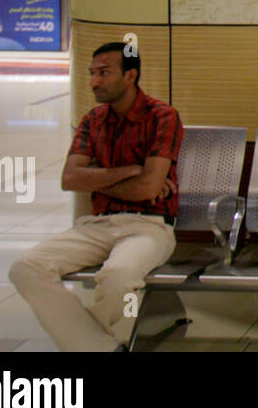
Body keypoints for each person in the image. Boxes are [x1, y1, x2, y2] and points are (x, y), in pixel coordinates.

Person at [9, 43, 182, 351]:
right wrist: (132, 169)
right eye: (91, 74)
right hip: (95, 225)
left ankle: (90, 345)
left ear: (131, 76)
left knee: (117, 276)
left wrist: (97, 178)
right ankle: (102, 348)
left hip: (149, 227)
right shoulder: (93, 120)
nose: (94, 82)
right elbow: (69, 179)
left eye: (104, 73)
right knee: (26, 267)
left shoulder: (162, 117)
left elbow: (147, 190)